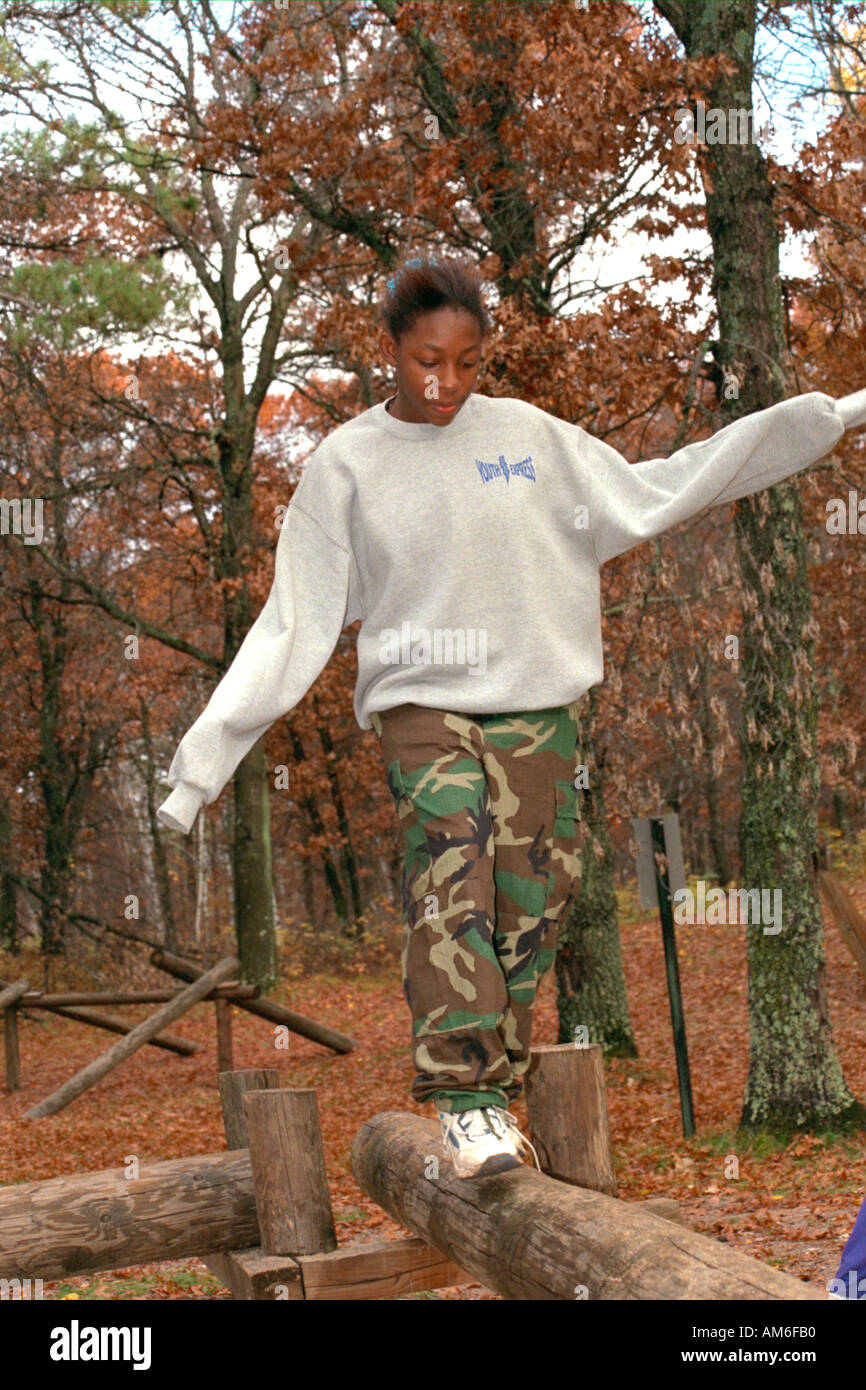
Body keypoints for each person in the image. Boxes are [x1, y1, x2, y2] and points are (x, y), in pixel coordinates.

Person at [157, 253, 866, 1180]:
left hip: (537, 707)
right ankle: (465, 1096)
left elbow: (668, 485)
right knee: (454, 856)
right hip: (422, 706)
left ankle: (498, 1092)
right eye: (423, 360)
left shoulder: (530, 439)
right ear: (391, 351)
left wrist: (833, 417)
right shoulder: (348, 467)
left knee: (531, 904)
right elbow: (292, 623)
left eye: (463, 361)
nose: (443, 382)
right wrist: (199, 769)